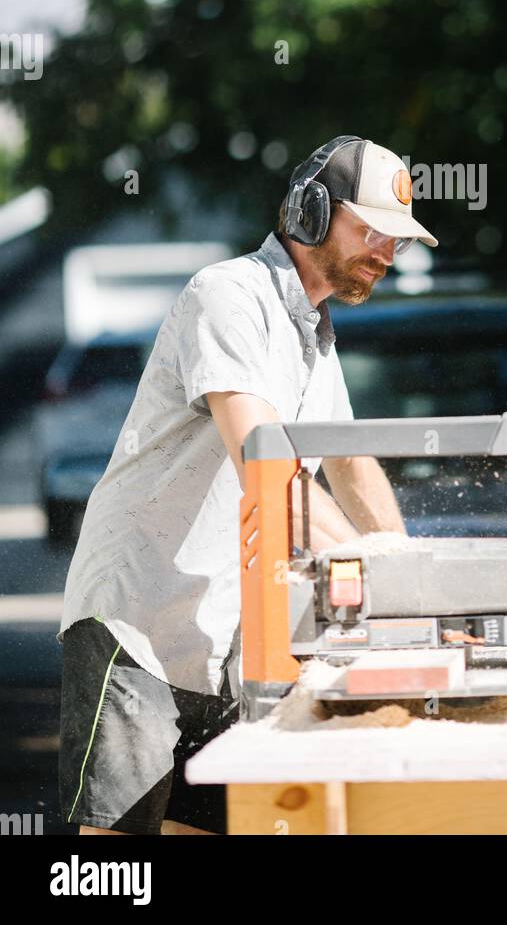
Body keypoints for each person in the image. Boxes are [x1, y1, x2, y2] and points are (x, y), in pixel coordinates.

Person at [57, 135, 438, 835]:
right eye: (373, 231)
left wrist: (410, 567)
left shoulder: (313, 332)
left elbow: (350, 464)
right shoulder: (228, 295)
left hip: (227, 634)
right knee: (115, 859)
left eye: (398, 242)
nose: (385, 253)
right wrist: (381, 573)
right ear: (312, 212)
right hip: (137, 618)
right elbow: (267, 465)